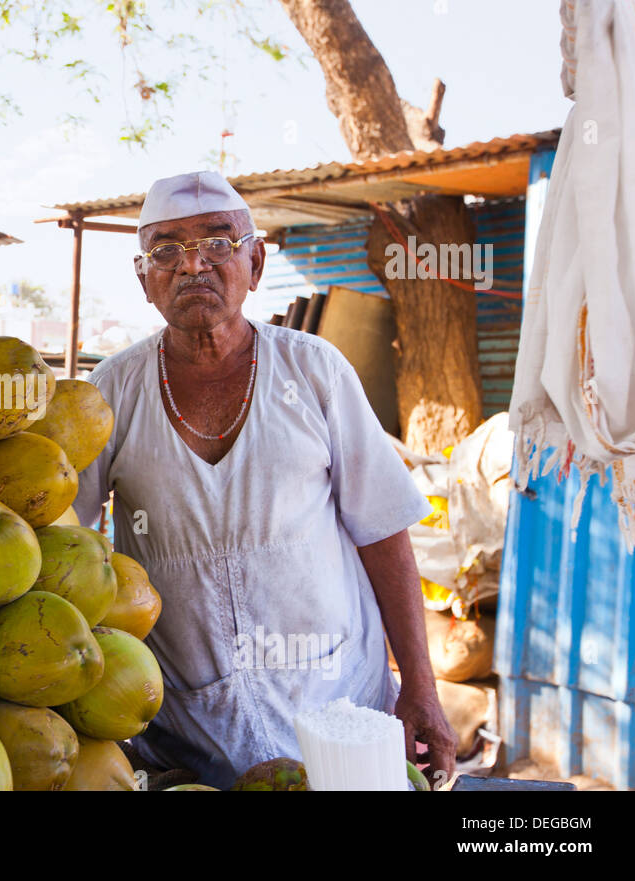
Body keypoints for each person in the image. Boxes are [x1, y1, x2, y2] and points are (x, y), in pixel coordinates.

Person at [73, 170, 457, 789]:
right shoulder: (110, 392)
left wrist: (421, 685)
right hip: (185, 735)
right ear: (144, 279)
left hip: (336, 715)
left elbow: (384, 531)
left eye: (219, 243)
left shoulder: (315, 370)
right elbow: (65, 536)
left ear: (255, 261)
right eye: (167, 249)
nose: (193, 263)